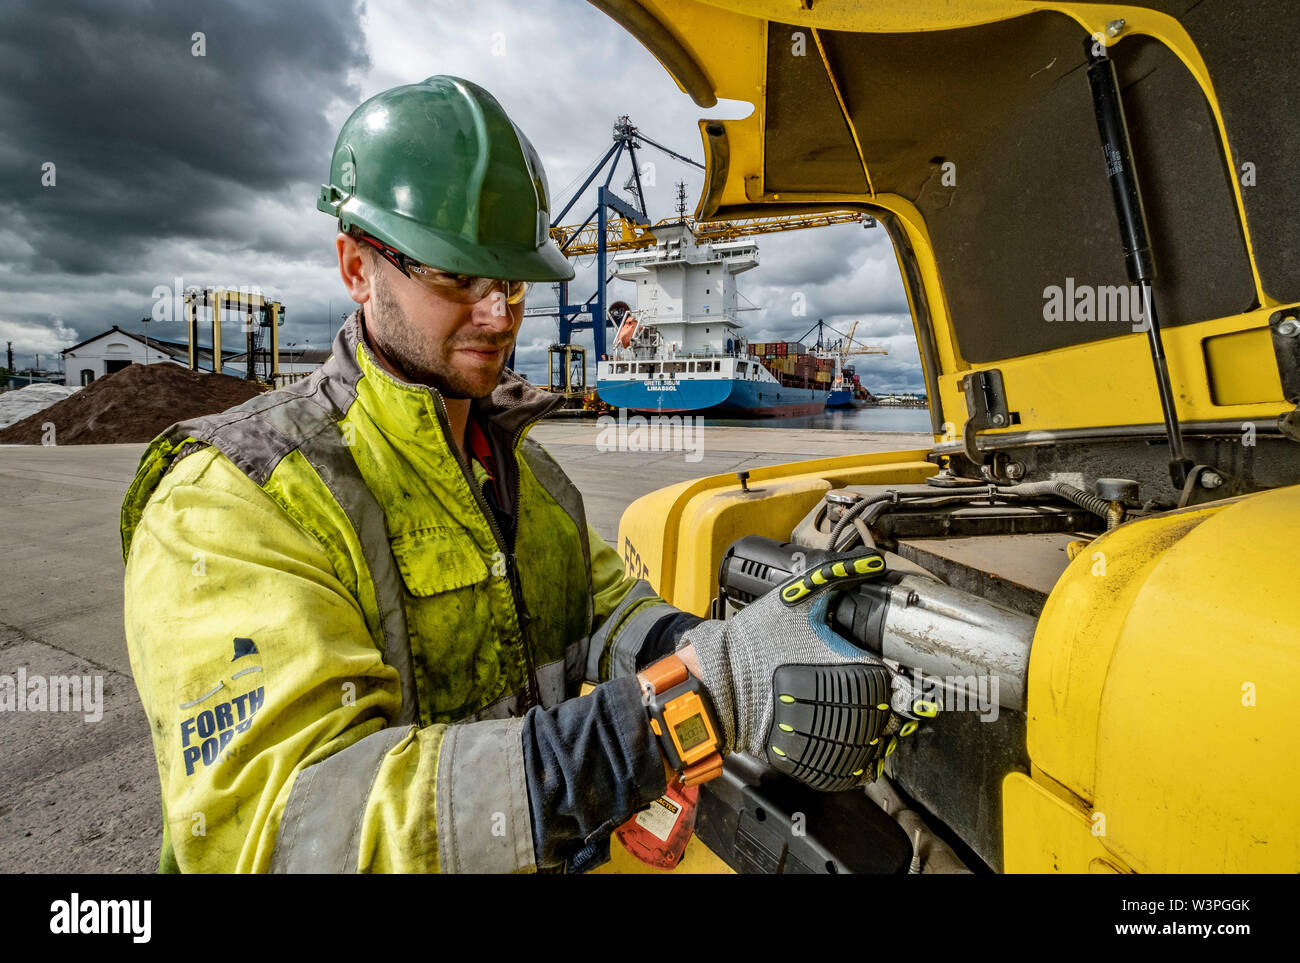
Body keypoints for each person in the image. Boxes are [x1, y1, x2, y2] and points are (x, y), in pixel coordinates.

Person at [121, 76, 893, 874]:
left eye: (514, 280)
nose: (501, 314)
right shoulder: (230, 503)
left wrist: (713, 645)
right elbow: (294, 832)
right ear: (356, 265)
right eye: (459, 276)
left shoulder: (530, 474)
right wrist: (678, 711)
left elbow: (600, 608)